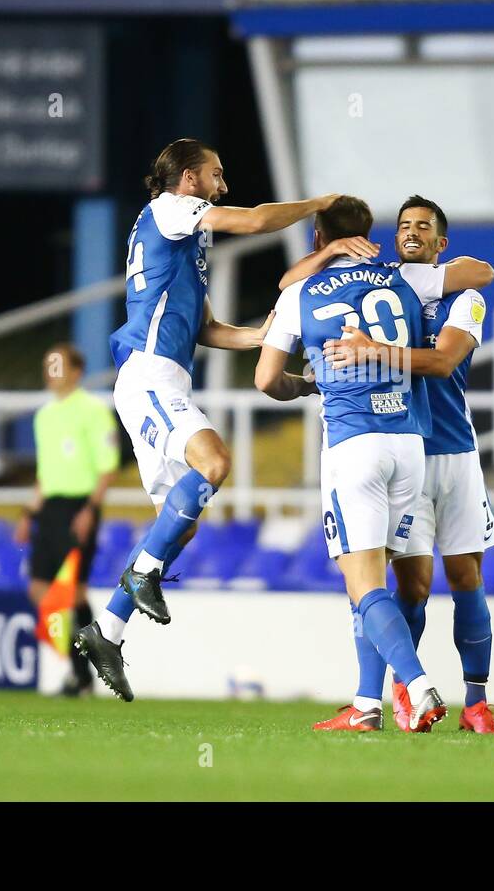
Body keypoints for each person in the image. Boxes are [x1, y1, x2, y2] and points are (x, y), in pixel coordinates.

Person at [74, 137, 339, 702]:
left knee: (183, 523)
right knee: (215, 461)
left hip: (160, 378)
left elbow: (207, 330)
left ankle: (107, 630)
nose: (224, 183)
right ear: (188, 178)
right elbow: (258, 220)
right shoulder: (173, 208)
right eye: (216, 174)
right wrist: (320, 203)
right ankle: (143, 576)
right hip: (148, 376)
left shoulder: (184, 239)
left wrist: (261, 335)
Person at [255, 194, 494, 732]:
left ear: (318, 239)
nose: (412, 232)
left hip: (362, 444)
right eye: (404, 225)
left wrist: (311, 381)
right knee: (400, 583)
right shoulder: (401, 282)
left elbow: (267, 379)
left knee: (367, 584)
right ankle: (369, 705)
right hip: (409, 443)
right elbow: (475, 274)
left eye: (423, 226)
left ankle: (418, 687)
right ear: (376, 237)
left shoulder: (303, 292)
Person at [17, 343, 119, 696]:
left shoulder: (93, 411)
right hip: (50, 508)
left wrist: (90, 509)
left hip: (79, 506)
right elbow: (45, 472)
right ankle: (80, 670)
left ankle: (90, 670)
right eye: (49, 365)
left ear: (76, 372)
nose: (51, 372)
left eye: (58, 365)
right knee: (40, 590)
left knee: (74, 592)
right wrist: (30, 513)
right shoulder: (44, 416)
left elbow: (107, 466)